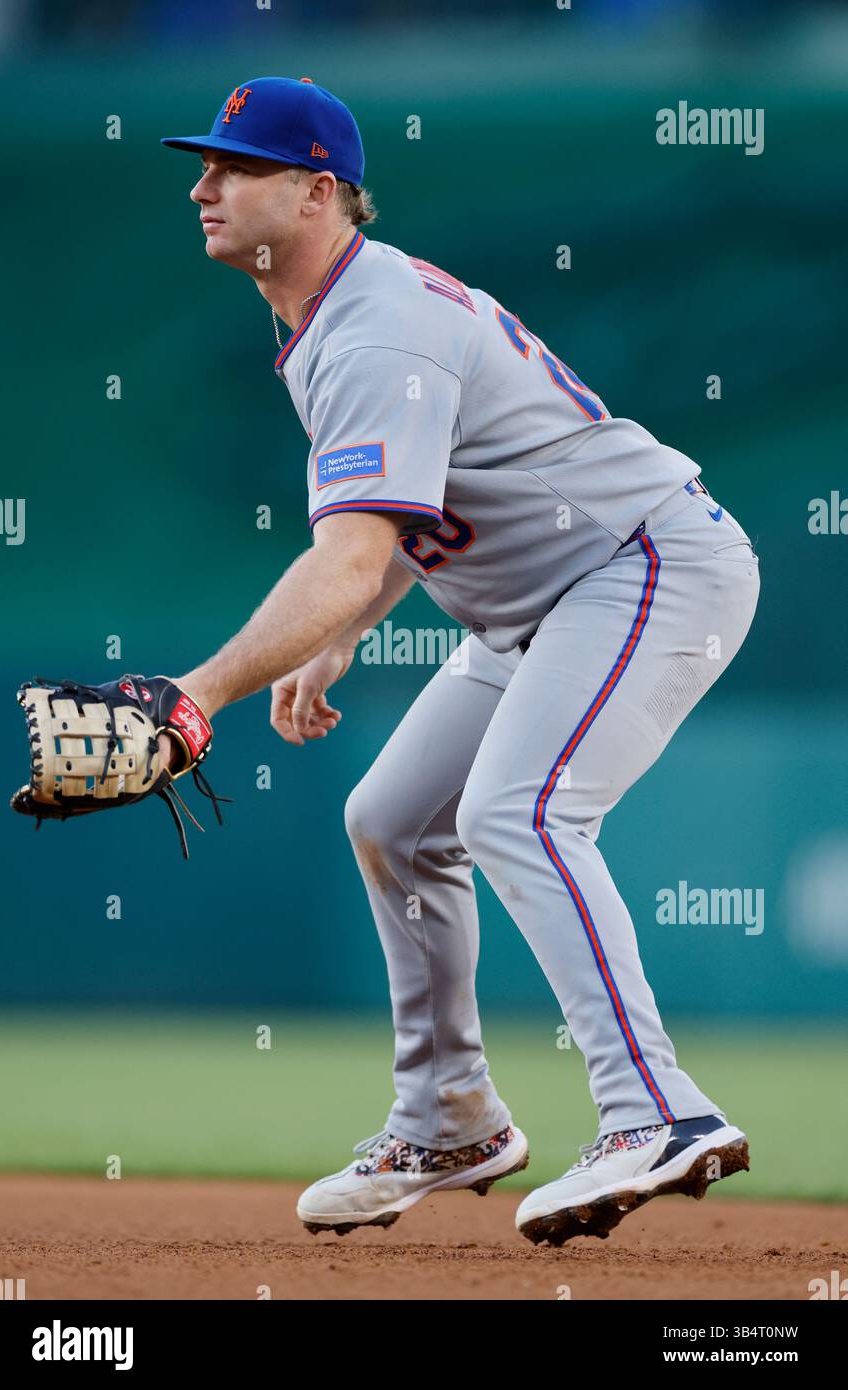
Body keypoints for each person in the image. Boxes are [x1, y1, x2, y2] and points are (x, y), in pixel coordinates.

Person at [160, 76, 759, 1247]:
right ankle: (448, 1116)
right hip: (532, 607)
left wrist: (195, 694)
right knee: (391, 817)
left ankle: (658, 1111)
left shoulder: (374, 325)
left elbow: (347, 555)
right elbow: (391, 531)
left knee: (521, 813)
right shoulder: (329, 319)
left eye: (235, 166)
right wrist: (337, 638)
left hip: (643, 566)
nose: (203, 186)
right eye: (207, 164)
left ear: (318, 190)